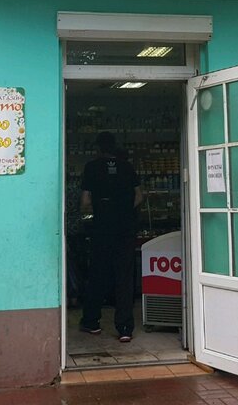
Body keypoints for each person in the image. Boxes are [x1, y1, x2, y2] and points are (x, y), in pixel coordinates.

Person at [79, 131, 144, 342]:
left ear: (98, 148)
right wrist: (124, 210)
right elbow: (139, 196)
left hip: (102, 228)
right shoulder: (127, 167)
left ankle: (91, 322)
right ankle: (125, 328)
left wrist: (95, 214)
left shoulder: (91, 168)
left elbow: (86, 201)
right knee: (124, 276)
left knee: (98, 274)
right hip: (125, 229)